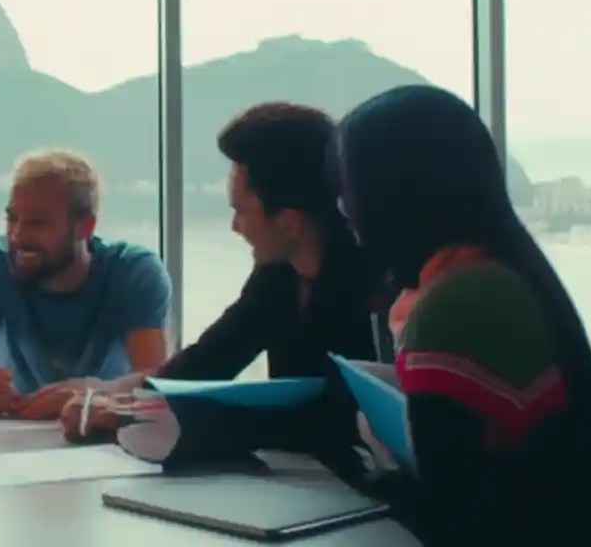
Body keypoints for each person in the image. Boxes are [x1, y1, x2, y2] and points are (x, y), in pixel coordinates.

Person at [333, 85, 591, 542]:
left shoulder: (460, 301)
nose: (344, 207)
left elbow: (456, 517)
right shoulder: (498, 271)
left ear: (392, 190)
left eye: (351, 186)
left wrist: (380, 463)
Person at [62, 103, 389, 455]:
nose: (234, 227)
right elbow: (205, 362)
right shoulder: (278, 278)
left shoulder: (375, 293)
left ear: (288, 222)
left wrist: (134, 412)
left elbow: (331, 421)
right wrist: (109, 397)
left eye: (241, 211)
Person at [0, 149, 171, 420]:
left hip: (98, 433)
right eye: (12, 219)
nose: (17, 236)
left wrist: (94, 394)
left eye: (37, 223)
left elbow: (156, 384)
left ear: (85, 228)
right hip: (9, 433)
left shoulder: (134, 272)